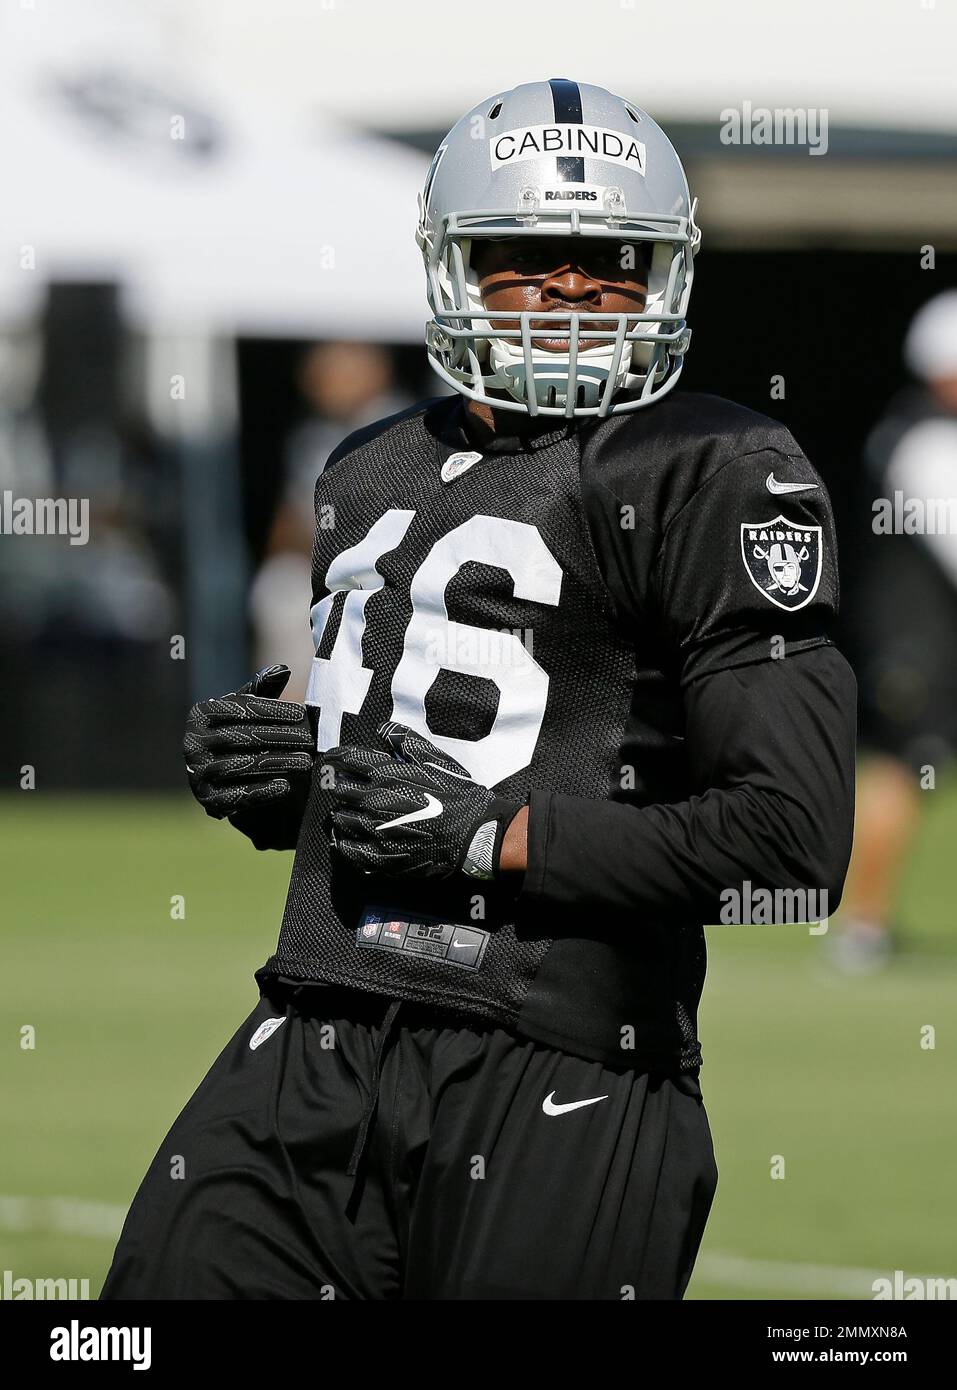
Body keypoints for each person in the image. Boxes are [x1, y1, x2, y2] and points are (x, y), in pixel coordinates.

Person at [101, 78, 856, 1301]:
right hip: (319, 1017)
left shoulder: (715, 468)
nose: (570, 288)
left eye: (610, 257)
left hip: (560, 1058)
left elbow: (790, 845)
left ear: (665, 273)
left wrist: (493, 840)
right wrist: (295, 776)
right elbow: (464, 746)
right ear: (455, 265)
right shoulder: (372, 461)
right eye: (527, 255)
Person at [834, 291, 957, 972]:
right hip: (919, 644)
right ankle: (863, 926)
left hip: (921, 640)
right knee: (902, 771)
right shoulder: (927, 437)